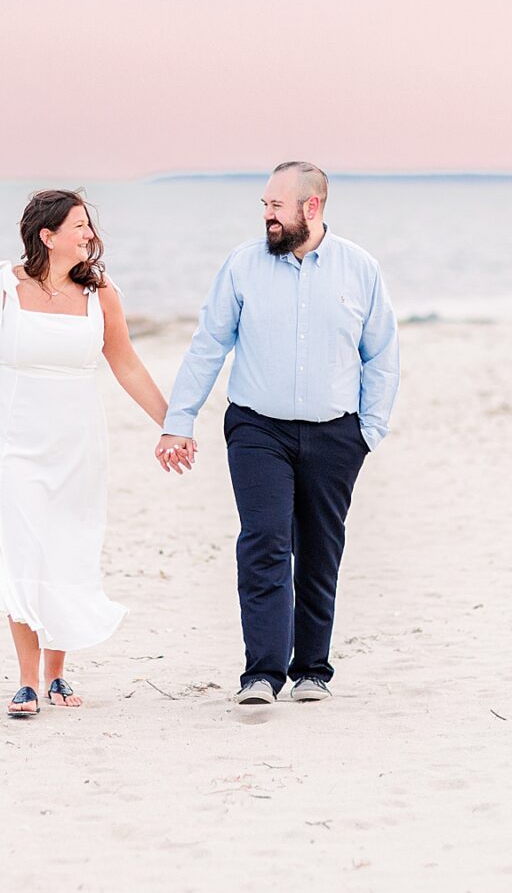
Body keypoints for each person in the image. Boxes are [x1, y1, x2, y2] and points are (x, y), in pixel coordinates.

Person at [154, 162, 399, 705]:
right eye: (265, 205)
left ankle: (312, 669)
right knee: (264, 542)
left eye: (276, 206)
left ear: (311, 208)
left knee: (319, 550)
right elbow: (208, 345)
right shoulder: (242, 266)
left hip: (336, 435)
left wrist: (369, 430)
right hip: (256, 428)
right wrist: (179, 421)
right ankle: (262, 674)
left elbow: (381, 354)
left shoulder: (360, 269)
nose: (266, 215)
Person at [0, 189, 170, 717]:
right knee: (22, 554)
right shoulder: (3, 288)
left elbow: (127, 366)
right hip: (13, 445)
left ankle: (57, 675)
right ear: (47, 236)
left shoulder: (102, 295)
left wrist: (173, 422)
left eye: (88, 224)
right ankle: (27, 681)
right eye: (77, 225)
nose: (88, 233)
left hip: (77, 446)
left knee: (67, 554)